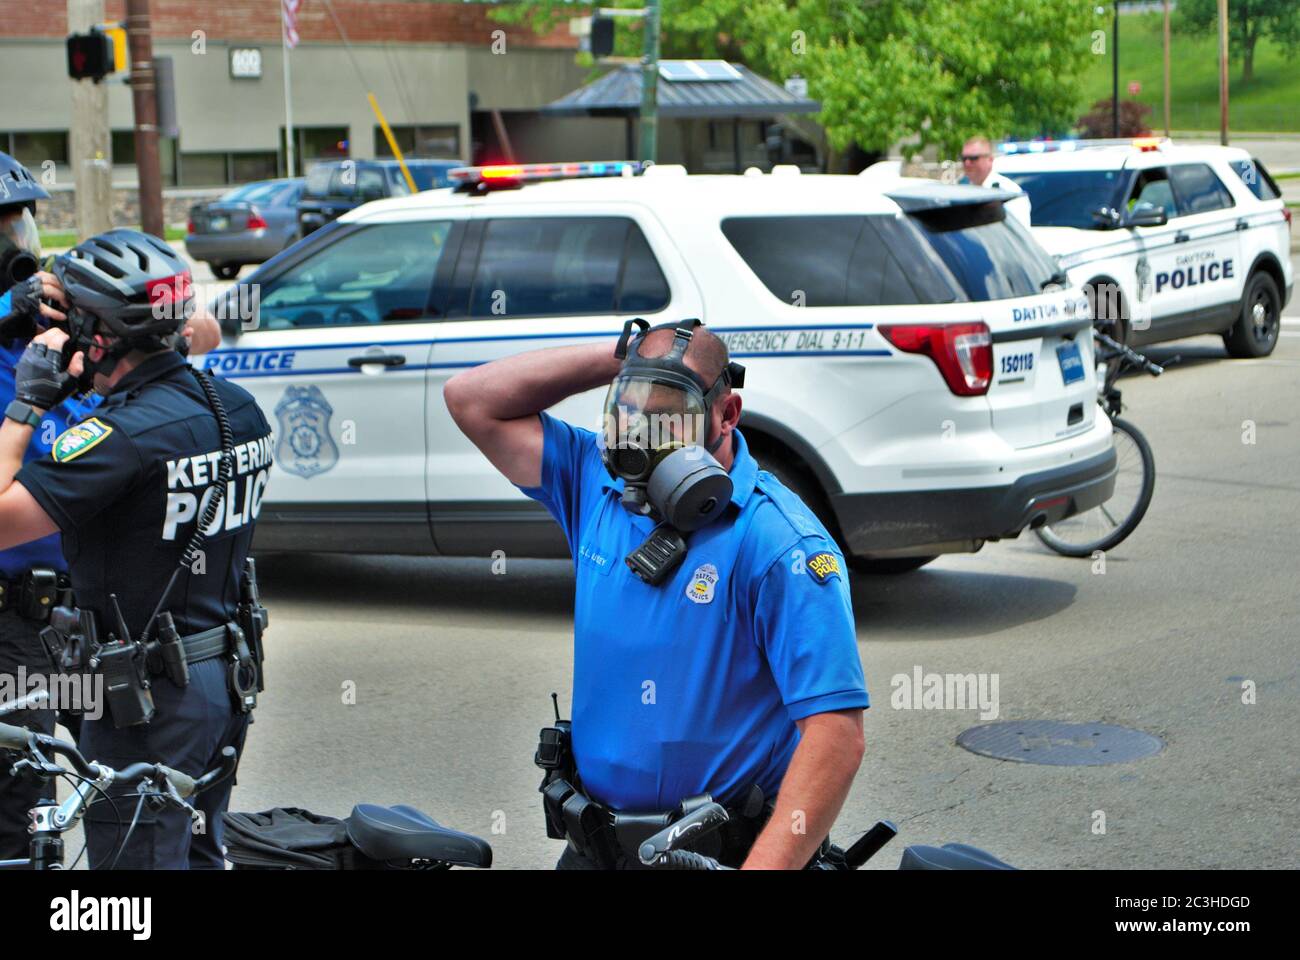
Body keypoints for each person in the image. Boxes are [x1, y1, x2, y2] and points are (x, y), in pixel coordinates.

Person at [446, 318, 869, 870]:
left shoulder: (780, 542)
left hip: (712, 858)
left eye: (670, 417)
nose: (644, 439)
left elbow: (836, 735)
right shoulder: (595, 485)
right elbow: (470, 400)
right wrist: (624, 356)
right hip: (593, 848)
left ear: (727, 414)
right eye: (631, 413)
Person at [0, 227, 268, 869]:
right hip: (222, 676)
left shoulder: (117, 439)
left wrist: (26, 407)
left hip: (148, 700)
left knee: (130, 897)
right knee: (198, 855)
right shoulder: (237, 408)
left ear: (98, 336)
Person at [959, 135, 1032, 227]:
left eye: (973, 158)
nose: (967, 163)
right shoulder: (961, 192)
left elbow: (1018, 230)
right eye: (964, 159)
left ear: (990, 159)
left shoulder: (1008, 192)